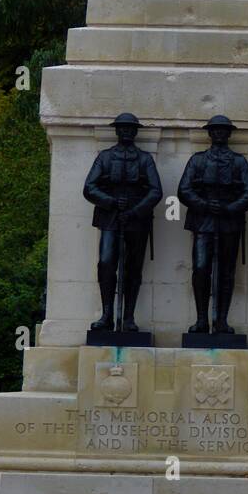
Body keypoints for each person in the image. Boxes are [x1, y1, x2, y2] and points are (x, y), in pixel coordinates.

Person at [83, 112, 162, 332]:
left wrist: (135, 211)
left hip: (137, 220)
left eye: (130, 128)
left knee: (133, 268)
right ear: (116, 130)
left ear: (136, 131)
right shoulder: (105, 157)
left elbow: (156, 191)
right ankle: (107, 314)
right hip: (110, 218)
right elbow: (89, 187)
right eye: (123, 128)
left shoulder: (145, 159)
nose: (126, 131)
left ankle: (128, 317)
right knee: (107, 263)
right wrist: (111, 202)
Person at [178, 115, 248, 334]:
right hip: (203, 221)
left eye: (223, 130)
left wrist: (229, 208)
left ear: (229, 133)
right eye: (215, 130)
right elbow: (184, 190)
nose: (219, 134)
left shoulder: (239, 161)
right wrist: (204, 204)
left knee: (226, 272)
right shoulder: (198, 160)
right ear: (209, 133)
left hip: (229, 223)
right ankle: (202, 319)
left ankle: (221, 320)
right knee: (201, 269)